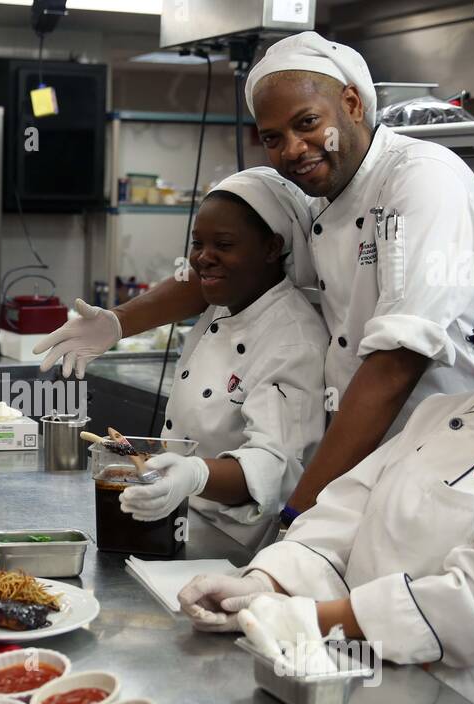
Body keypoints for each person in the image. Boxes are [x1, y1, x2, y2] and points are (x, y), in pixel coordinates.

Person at [177, 230, 474, 704]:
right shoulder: (439, 413)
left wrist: (308, 620)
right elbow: (343, 515)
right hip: (362, 680)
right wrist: (264, 586)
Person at [36, 31, 474, 526]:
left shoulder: (421, 178)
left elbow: (397, 360)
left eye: (307, 123)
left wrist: (300, 510)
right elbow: (222, 266)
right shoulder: (320, 193)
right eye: (273, 138)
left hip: (439, 456)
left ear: (351, 103)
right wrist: (117, 323)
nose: (293, 149)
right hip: (365, 460)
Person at [117, 168, 327, 551]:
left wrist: (195, 474)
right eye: (198, 243)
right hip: (182, 520)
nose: (203, 258)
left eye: (224, 245)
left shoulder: (294, 340)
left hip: (234, 546)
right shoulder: (226, 304)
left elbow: (276, 466)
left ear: (271, 248)